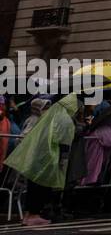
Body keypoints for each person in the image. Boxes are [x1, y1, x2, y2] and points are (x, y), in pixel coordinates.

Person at [4, 92, 78, 226]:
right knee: (43, 186)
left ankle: (28, 214)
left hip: (36, 154)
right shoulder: (64, 118)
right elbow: (64, 142)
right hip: (48, 156)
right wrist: (62, 161)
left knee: (33, 184)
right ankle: (34, 214)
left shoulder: (50, 113)